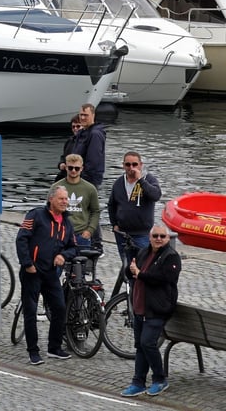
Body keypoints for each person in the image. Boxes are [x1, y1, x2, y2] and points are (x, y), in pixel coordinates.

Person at [16, 185, 77, 365]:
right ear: (51, 199)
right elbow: (21, 239)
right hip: (32, 272)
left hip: (51, 272)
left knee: (59, 307)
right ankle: (33, 351)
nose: (65, 202)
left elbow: (73, 247)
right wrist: (27, 264)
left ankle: (54, 347)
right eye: (61, 199)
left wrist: (63, 256)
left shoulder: (67, 223)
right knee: (31, 311)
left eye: (66, 199)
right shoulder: (35, 215)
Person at [120, 224, 181, 398]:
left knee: (147, 343)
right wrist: (130, 269)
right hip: (140, 307)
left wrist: (140, 274)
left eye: (162, 236)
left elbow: (164, 278)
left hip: (157, 308)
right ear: (150, 237)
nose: (158, 239)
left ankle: (159, 379)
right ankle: (138, 382)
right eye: (155, 236)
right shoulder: (143, 252)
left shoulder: (171, 257)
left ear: (168, 238)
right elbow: (132, 274)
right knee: (140, 346)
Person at [108, 152, 162, 268]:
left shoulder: (148, 179)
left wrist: (140, 180)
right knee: (127, 267)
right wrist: (114, 224)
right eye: (128, 164)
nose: (131, 168)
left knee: (143, 266)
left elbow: (156, 195)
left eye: (134, 164)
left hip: (142, 234)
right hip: (122, 233)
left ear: (140, 165)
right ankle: (128, 280)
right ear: (123, 165)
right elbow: (111, 205)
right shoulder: (119, 183)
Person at [53, 153, 99, 249]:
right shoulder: (56, 187)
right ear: (66, 167)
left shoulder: (90, 189)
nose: (73, 171)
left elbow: (95, 211)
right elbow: (49, 210)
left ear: (81, 168)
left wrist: (90, 230)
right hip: (60, 234)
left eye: (77, 168)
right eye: (70, 168)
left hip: (82, 235)